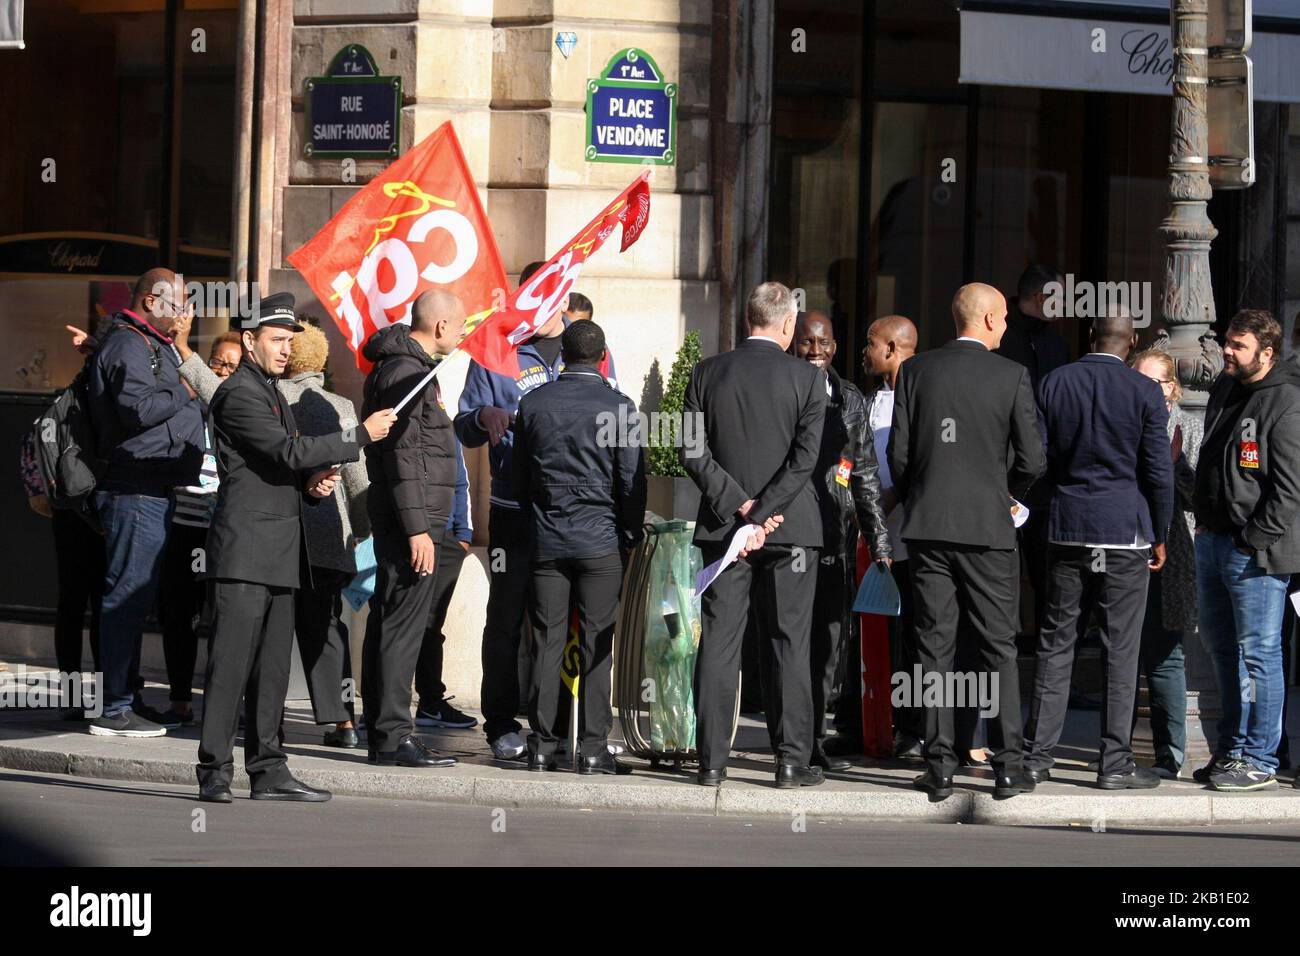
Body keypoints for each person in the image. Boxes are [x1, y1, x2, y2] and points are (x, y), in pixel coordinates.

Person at [196, 293, 396, 803]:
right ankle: (214, 771)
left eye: (290, 341)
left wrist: (309, 483)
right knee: (230, 665)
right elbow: (286, 450)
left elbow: (280, 464)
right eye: (277, 340)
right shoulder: (239, 392)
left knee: (270, 672)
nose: (286, 350)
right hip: (244, 554)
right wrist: (358, 437)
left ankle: (268, 770)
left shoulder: (267, 391)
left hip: (284, 554)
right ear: (249, 340)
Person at [454, 262, 618, 761]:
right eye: (534, 295)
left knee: (574, 624)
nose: (545, 305)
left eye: (554, 295)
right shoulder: (496, 348)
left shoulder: (592, 348)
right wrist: (484, 416)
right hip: (515, 511)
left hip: (577, 517)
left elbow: (617, 421)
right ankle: (502, 723)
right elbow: (462, 426)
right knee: (506, 618)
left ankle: (568, 728)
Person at [888, 282, 1045, 800]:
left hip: (930, 527)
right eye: (1001, 318)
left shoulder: (915, 371)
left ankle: (939, 768)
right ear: (991, 320)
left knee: (934, 647)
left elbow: (901, 457)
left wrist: (927, 493)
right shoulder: (1012, 376)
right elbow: (1033, 460)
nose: (1005, 326)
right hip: (987, 531)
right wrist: (1003, 494)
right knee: (998, 646)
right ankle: (1008, 766)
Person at [682, 281, 825, 789]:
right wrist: (764, 511)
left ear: (748, 320)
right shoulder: (807, 379)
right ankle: (790, 763)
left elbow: (692, 452)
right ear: (787, 325)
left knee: (720, 642)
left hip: (726, 528)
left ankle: (712, 764)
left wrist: (743, 509)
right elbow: (806, 459)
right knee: (789, 642)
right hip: (791, 529)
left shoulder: (706, 372)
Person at [1022, 314, 1173, 790]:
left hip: (1067, 526)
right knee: (1120, 649)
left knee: (1056, 641)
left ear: (1089, 338)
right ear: (1130, 344)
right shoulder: (1144, 392)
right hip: (1125, 532)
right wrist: (1160, 531)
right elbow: (1158, 473)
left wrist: (1044, 507)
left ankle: (1036, 757)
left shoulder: (1054, 382)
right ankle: (1114, 763)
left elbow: (1036, 460)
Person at [511, 320, 645, 773]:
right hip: (600, 541)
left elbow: (518, 479)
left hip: (548, 538)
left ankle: (543, 745)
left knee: (548, 641)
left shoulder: (533, 404)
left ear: (562, 356)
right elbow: (631, 482)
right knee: (597, 643)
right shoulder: (620, 408)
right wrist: (627, 536)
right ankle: (591, 748)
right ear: (602, 356)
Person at [86, 267, 205, 738]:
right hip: (134, 488)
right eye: (177, 306)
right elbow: (139, 409)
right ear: (153, 302)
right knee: (125, 598)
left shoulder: (149, 343)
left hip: (155, 487)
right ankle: (114, 706)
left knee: (136, 597)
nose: (183, 316)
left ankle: (127, 697)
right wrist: (187, 387)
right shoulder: (128, 344)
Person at [1192, 309, 1300, 792]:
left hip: (1252, 551)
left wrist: (1253, 539)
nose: (1227, 352)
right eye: (1228, 344)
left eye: (1238, 346)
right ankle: (1232, 749)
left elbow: (1289, 490)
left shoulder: (1285, 401)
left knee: (1260, 654)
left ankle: (1260, 757)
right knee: (1221, 651)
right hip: (1212, 539)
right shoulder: (1226, 387)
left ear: (1267, 352)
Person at [359, 290, 463, 768]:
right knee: (401, 627)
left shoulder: (408, 368)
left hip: (408, 518)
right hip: (412, 524)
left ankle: (384, 732)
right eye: (458, 326)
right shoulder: (409, 373)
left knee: (390, 621)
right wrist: (419, 529)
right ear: (440, 326)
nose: (461, 336)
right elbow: (402, 457)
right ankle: (393, 735)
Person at [791, 310, 890, 771]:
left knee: (829, 643)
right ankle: (789, 742)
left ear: (834, 346)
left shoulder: (849, 397)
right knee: (789, 640)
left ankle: (813, 742)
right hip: (788, 534)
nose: (816, 350)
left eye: (823, 342)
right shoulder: (783, 386)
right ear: (793, 342)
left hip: (834, 535)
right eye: (808, 342)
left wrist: (879, 542)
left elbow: (864, 472)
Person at [277, 323, 371, 748]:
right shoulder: (341, 405)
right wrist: (361, 534)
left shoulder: (271, 399)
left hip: (281, 535)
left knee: (274, 629)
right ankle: (343, 723)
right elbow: (358, 480)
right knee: (327, 628)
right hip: (332, 538)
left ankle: (268, 719)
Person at [154, 330, 242, 726]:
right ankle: (179, 699)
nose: (222, 371)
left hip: (224, 529)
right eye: (217, 362)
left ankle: (227, 706)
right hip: (185, 525)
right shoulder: (188, 403)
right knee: (181, 613)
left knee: (226, 617)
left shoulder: (242, 410)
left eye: (231, 366)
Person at [1130, 347, 1202, 779]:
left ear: (1172, 389)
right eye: (1137, 380)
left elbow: (1201, 497)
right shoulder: (1120, 425)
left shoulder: (1189, 429)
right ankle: (1116, 749)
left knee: (1165, 656)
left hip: (1174, 554)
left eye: (1154, 382)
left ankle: (1169, 755)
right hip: (1124, 550)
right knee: (1120, 654)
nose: (1145, 390)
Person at [997, 264, 1069, 638]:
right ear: (1042, 298)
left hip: (1047, 479)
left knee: (1048, 575)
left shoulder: (1055, 343)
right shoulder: (1001, 337)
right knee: (1000, 572)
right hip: (1001, 475)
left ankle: (1044, 651)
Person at [859, 314, 920, 758]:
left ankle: (914, 727)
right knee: (877, 632)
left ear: (893, 349)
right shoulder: (869, 400)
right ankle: (873, 721)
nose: (866, 350)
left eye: (872, 342)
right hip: (872, 534)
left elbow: (919, 461)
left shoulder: (923, 391)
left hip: (912, 534)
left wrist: (889, 501)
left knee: (916, 635)